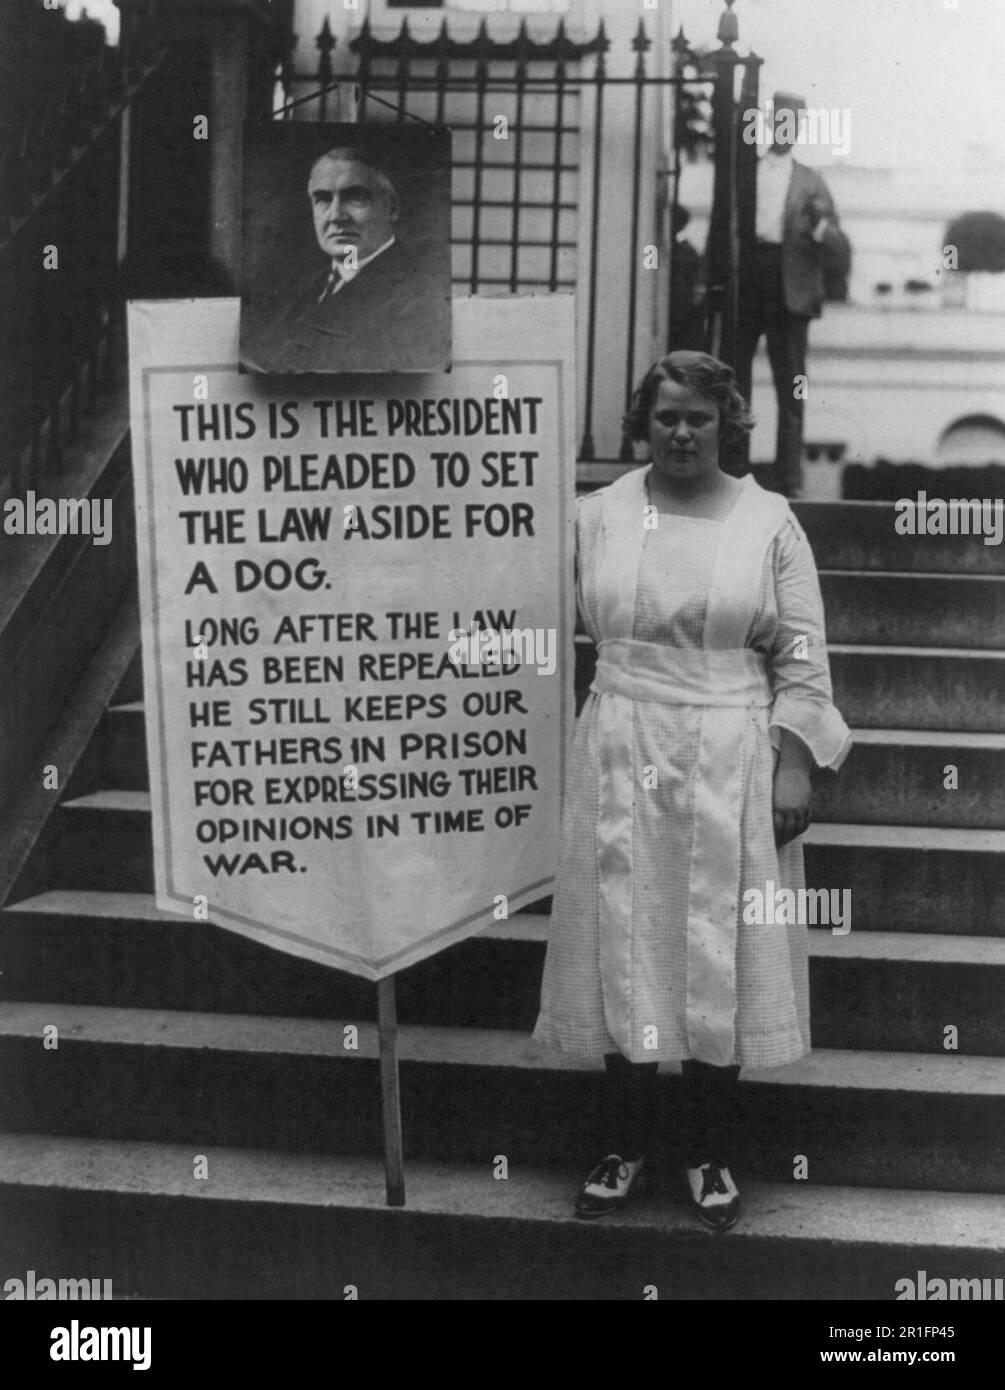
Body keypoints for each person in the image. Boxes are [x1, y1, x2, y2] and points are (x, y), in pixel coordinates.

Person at [533, 350, 851, 1231]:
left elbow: (801, 657)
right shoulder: (596, 516)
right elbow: (525, 612)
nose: (680, 432)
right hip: (621, 738)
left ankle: (708, 1152)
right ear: (645, 421)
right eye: (666, 415)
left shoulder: (769, 522)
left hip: (732, 752)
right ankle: (624, 1143)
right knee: (623, 936)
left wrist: (793, 763)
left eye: (698, 419)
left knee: (721, 945)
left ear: (725, 426)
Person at [726, 93, 850, 497]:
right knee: (734, 381)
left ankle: (789, 481)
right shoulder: (747, 171)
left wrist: (819, 228)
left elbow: (837, 245)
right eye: (778, 121)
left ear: (798, 130)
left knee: (792, 387)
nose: (783, 130)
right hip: (748, 281)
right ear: (768, 124)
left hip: (790, 289)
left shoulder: (812, 181)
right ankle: (732, 471)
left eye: (791, 124)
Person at [241, 146, 450, 374]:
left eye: (356, 197)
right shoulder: (307, 286)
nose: (336, 217)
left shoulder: (420, 297)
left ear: (392, 208)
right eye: (322, 199)